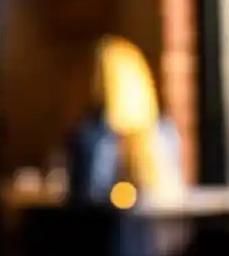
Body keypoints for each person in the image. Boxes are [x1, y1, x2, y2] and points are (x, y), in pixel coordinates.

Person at [67, 36, 183, 206]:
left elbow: (84, 197)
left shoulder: (93, 137)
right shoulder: (165, 133)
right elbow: (173, 195)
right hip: (161, 221)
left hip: (105, 221)